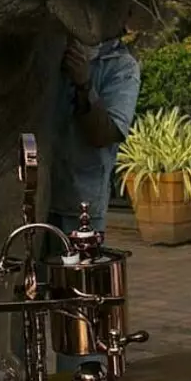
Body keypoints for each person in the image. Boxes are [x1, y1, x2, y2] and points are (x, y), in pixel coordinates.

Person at [48, 30, 141, 239]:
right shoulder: (51, 51)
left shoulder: (123, 67)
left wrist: (84, 84)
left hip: (81, 202)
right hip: (36, 197)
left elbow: (104, 135)